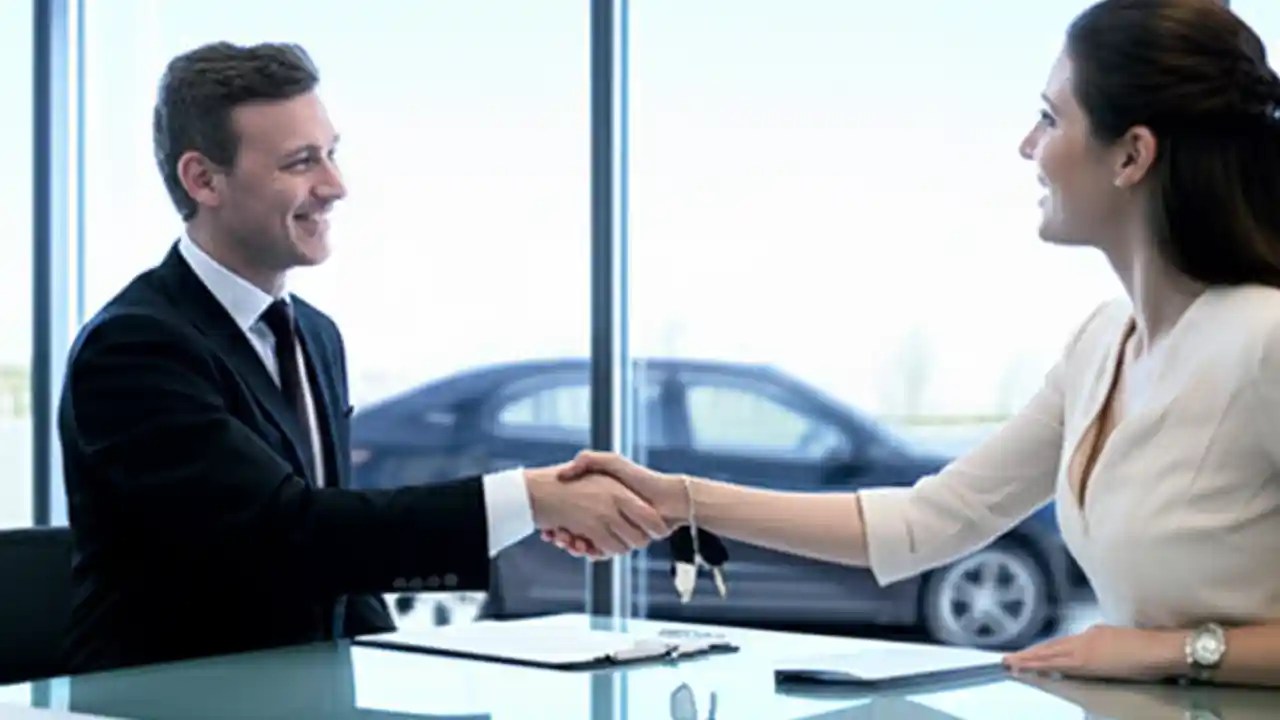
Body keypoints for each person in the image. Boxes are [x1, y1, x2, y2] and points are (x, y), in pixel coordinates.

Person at [547, 0, 1280, 688]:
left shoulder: (1263, 340)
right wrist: (678, 500)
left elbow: (1153, 650)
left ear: (1132, 156)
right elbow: (927, 523)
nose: (1027, 145)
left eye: (1049, 119)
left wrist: (1173, 650)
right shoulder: (1100, 347)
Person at [57, 41, 666, 674]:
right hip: (166, 703)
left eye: (331, 154)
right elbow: (285, 536)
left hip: (305, 694)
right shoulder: (134, 348)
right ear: (203, 179)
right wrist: (529, 499)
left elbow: (341, 566)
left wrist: (401, 663)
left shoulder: (316, 337)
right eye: (300, 162)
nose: (335, 186)